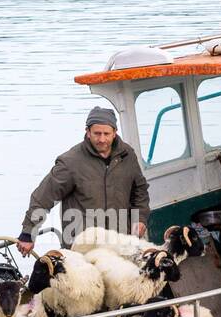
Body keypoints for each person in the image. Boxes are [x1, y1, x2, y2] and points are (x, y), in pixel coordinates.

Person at [17, 106, 150, 255]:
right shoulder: (70, 162)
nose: (102, 139)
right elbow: (42, 198)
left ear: (114, 133)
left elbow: (140, 190)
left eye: (106, 134)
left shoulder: (127, 155)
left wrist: (140, 218)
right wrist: (28, 233)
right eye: (96, 133)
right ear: (87, 132)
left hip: (120, 242)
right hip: (84, 246)